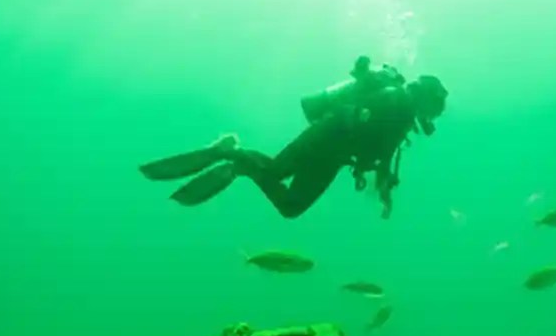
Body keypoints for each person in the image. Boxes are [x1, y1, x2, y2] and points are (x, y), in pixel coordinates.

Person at [139, 56, 448, 219]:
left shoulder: (401, 110)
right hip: (325, 141)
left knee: (288, 203)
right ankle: (232, 157)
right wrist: (343, 135)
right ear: (427, 101)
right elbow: (355, 119)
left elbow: (382, 154)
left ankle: (238, 161)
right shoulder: (397, 101)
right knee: (279, 181)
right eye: (434, 112)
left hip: (333, 153)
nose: (430, 120)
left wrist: (384, 191)